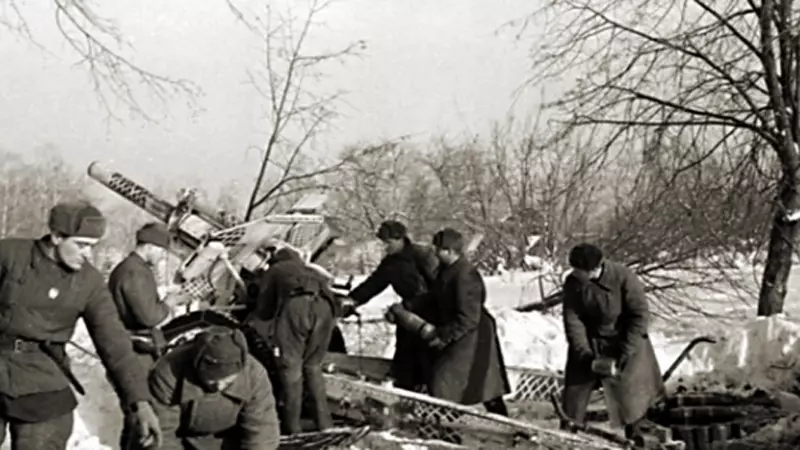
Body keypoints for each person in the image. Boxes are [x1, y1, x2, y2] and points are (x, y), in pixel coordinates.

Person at [0, 201, 161, 449]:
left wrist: (140, 401)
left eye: (93, 247)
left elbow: (115, 344)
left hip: (41, 377)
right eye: (82, 245)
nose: (88, 255)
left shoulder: (89, 282)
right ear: (56, 236)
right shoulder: (10, 255)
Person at [560, 243, 665, 438]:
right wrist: (584, 354)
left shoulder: (623, 277)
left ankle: (636, 436)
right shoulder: (572, 283)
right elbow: (573, 320)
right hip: (590, 342)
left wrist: (626, 351)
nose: (575, 274)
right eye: (574, 270)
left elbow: (639, 315)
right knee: (573, 400)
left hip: (625, 342)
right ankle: (568, 437)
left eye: (580, 271)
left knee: (632, 402)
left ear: (595, 269)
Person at [246, 246, 339, 434]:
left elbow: (264, 309)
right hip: (326, 308)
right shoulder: (311, 270)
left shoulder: (276, 270)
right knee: (313, 367)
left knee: (291, 368)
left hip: (296, 307)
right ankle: (325, 424)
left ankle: (292, 428)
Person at [420, 227, 511, 415]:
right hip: (462, 331)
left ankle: (449, 432)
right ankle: (501, 425)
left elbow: (468, 317)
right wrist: (409, 305)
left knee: (446, 383)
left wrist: (443, 337)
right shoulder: (448, 271)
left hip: (473, 335)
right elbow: (435, 297)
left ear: (451, 251)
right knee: (481, 384)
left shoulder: (465, 275)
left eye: (439, 249)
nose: (435, 253)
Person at [145, 326, 281, 450]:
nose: (219, 386)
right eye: (212, 381)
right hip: (181, 439)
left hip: (230, 441)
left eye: (227, 382)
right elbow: (162, 434)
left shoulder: (254, 374)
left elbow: (262, 432)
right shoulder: (169, 372)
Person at [346, 220, 439, 391]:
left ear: (400, 239)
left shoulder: (423, 256)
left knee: (427, 359)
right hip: (407, 317)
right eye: (383, 244)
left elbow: (440, 287)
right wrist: (351, 301)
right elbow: (373, 284)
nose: (385, 247)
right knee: (404, 358)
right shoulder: (390, 263)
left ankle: (428, 392)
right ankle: (405, 391)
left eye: (388, 243)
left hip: (430, 317)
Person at [108, 222, 173, 449]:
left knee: (137, 415)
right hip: (136, 352)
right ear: (151, 246)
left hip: (135, 348)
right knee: (142, 414)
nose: (163, 256)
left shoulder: (133, 269)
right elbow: (149, 316)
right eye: (163, 251)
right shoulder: (134, 272)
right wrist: (170, 304)